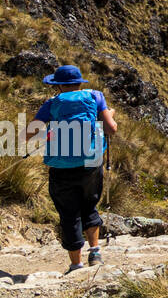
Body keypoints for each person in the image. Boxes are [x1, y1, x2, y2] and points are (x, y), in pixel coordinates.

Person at [22, 65, 118, 274]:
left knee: (68, 212)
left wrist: (50, 131)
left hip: (61, 166)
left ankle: (76, 265)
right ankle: (95, 252)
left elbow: (29, 134)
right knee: (89, 203)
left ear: (58, 85)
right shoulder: (95, 97)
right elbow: (111, 129)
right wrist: (110, 114)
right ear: (79, 82)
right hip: (91, 162)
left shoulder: (51, 104)